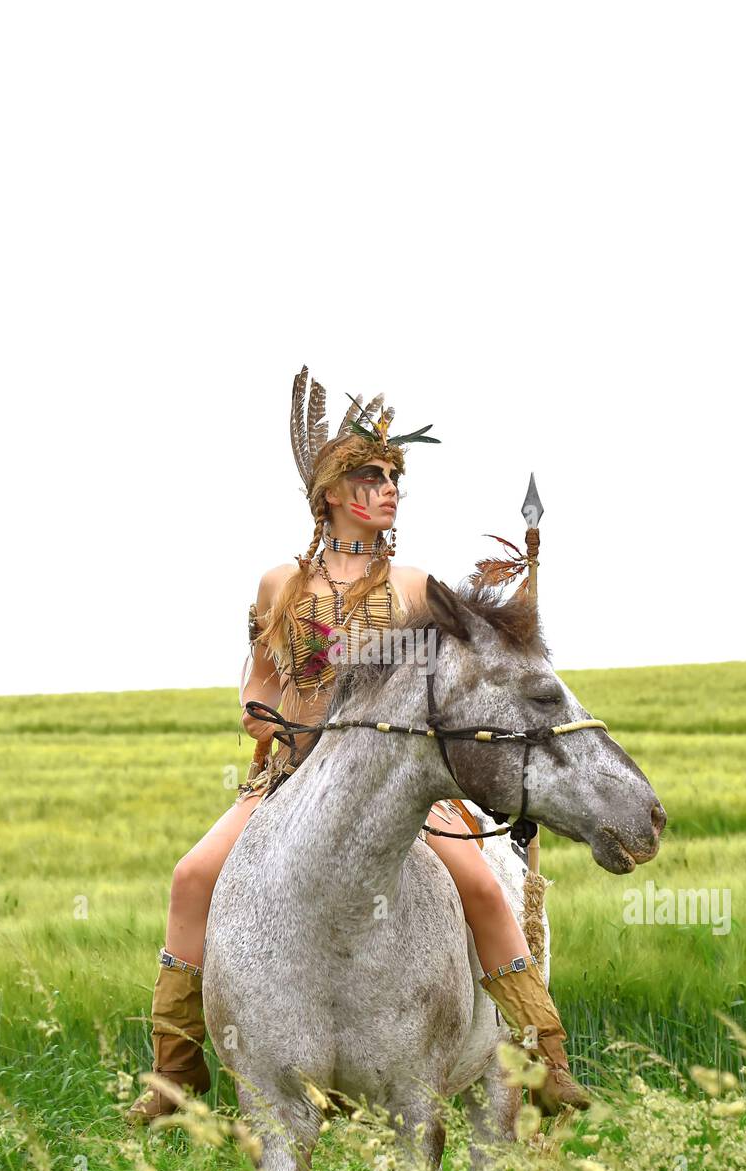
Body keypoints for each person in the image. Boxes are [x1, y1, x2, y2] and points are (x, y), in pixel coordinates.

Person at [126, 366, 589, 1124]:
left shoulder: (414, 587)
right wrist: (263, 713)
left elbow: (465, 667)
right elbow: (266, 676)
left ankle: (544, 1056)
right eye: (370, 477)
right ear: (332, 494)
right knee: (191, 876)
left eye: (392, 477)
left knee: (478, 882)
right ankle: (174, 1075)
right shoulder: (283, 582)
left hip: (395, 784)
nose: (388, 489)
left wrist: (521, 605)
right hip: (292, 776)